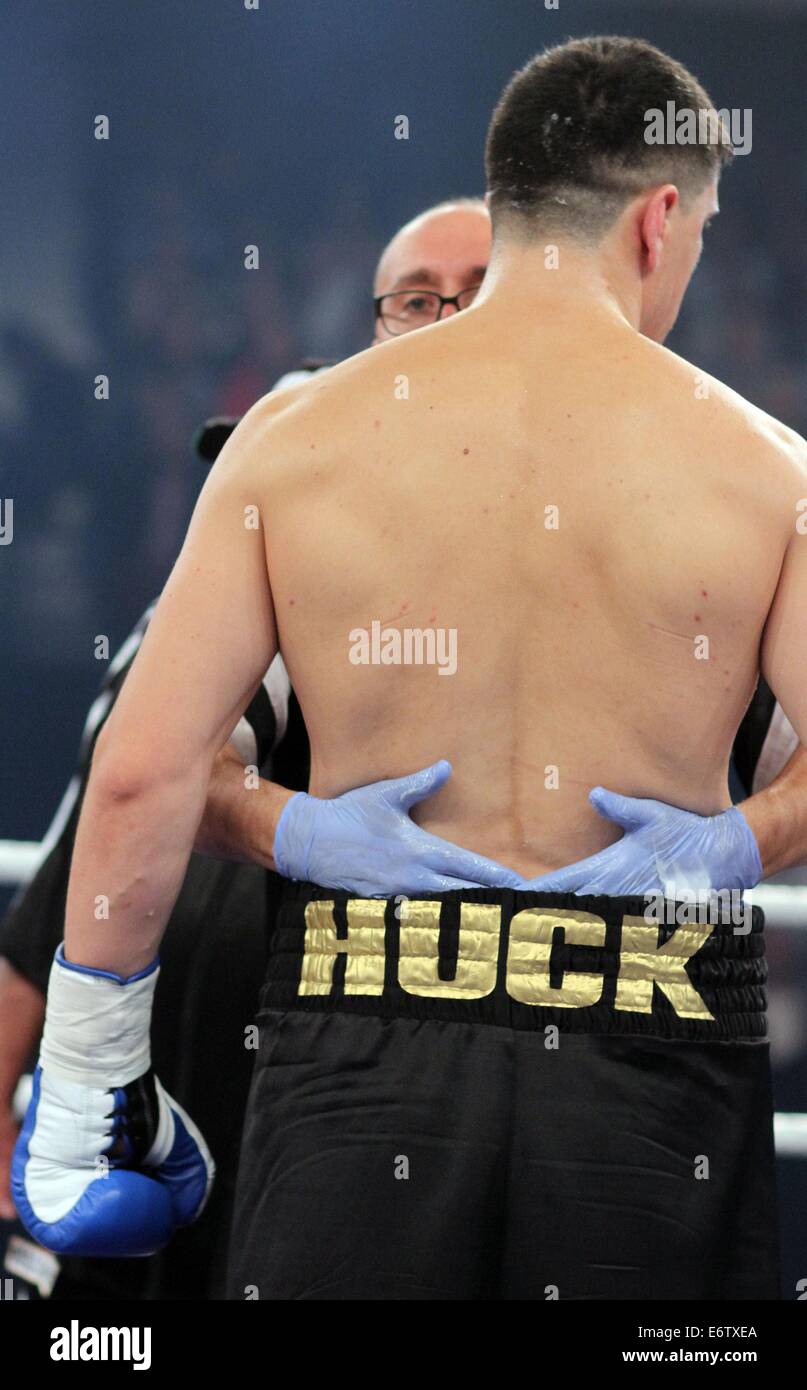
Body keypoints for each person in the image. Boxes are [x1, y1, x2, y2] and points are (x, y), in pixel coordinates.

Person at [11, 37, 807, 1296]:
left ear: (507, 198)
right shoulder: (770, 471)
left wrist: (91, 1079)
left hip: (357, 1037)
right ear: (661, 219)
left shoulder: (294, 439)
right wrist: (730, 846)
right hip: (656, 1056)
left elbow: (137, 776)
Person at [0, 198, 498, 1298]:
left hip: (355, 1096)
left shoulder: (480, 611)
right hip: (163, 1073)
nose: (254, 510)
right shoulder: (166, 654)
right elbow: (54, 898)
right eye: (419, 298)